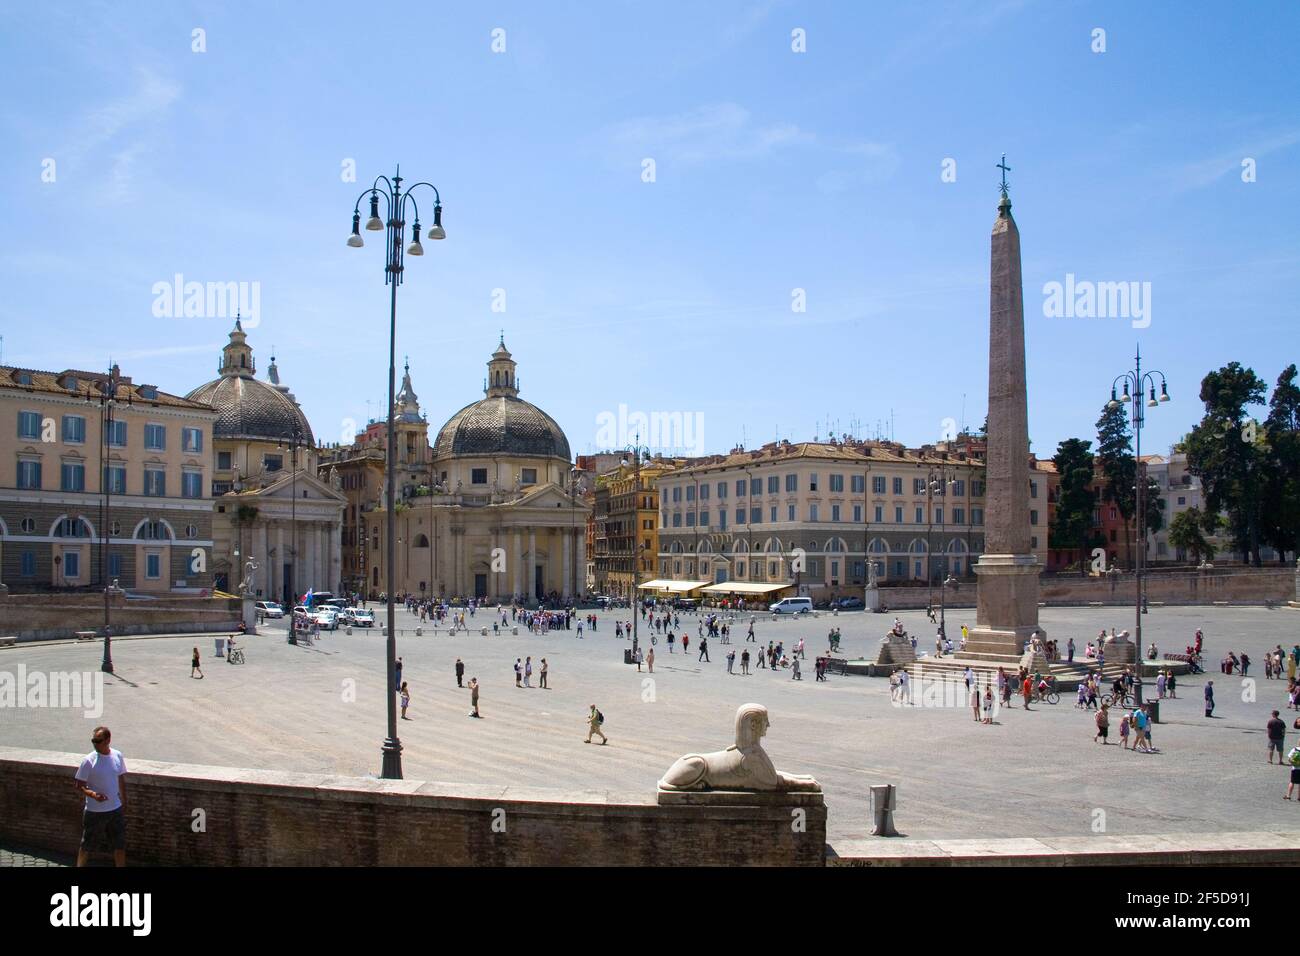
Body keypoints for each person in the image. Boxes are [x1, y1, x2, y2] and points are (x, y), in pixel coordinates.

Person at [74, 726, 127, 868]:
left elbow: (120, 778)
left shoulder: (117, 755)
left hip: (115, 809)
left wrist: (124, 801)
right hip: (94, 812)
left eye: (98, 740)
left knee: (119, 845)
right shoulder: (88, 760)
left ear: (108, 740)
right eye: (93, 740)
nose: (95, 743)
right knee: (87, 845)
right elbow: (79, 784)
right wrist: (92, 794)